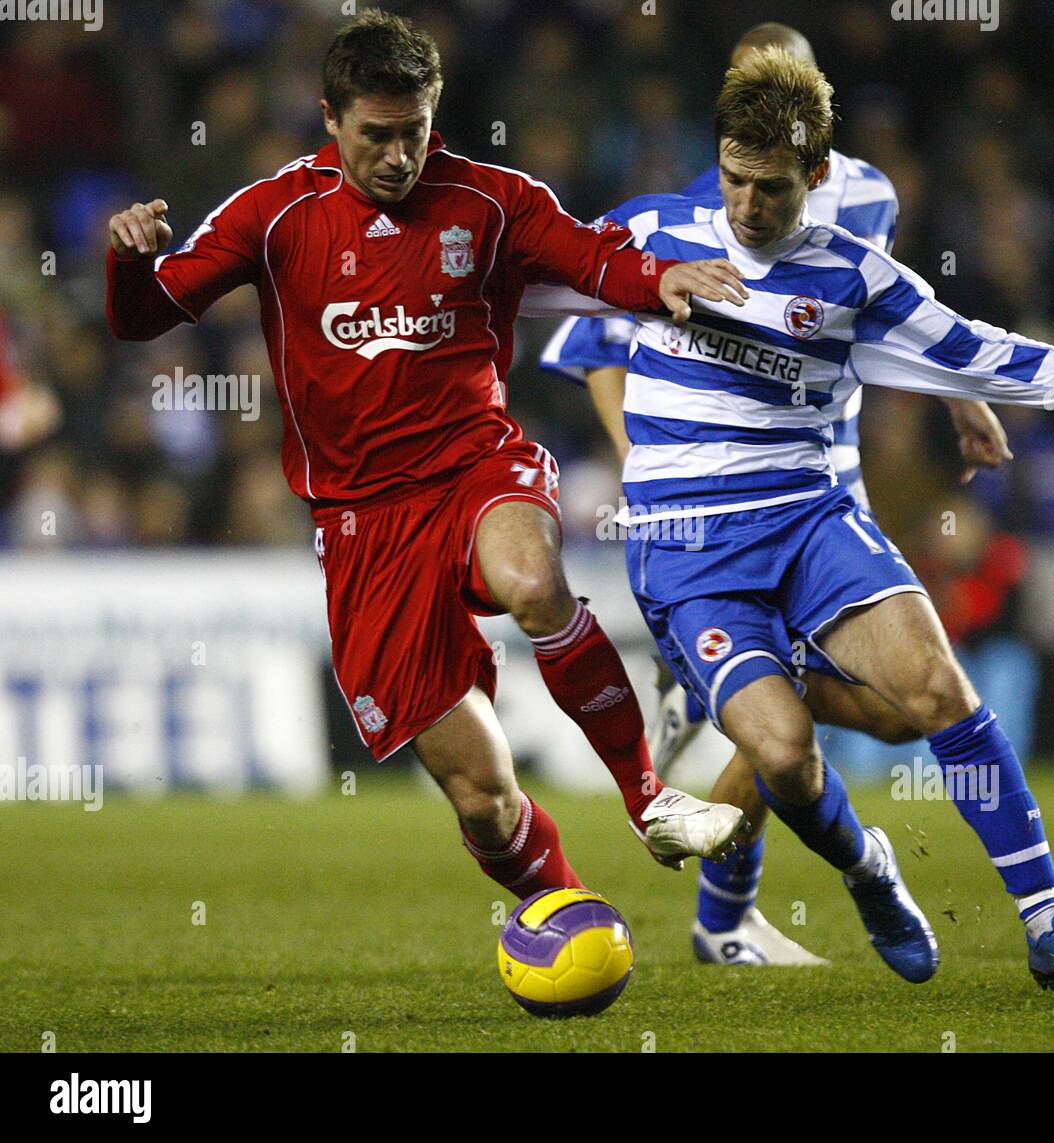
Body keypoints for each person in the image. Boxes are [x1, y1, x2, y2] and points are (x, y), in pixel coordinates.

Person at [524, 47, 1054, 993]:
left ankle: (1049, 919)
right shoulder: (651, 230)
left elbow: (981, 352)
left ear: (816, 177)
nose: (747, 208)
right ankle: (869, 866)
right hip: (692, 550)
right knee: (780, 753)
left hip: (810, 521)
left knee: (940, 694)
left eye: (773, 189)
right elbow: (520, 280)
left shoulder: (854, 272)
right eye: (735, 181)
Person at [103, 10, 754, 903]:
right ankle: (563, 911)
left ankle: (649, 800)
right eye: (376, 135)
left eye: (413, 132)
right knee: (485, 799)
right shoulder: (274, 213)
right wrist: (130, 265)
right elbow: (144, 315)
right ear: (330, 120)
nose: (398, 155)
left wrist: (658, 282)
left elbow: (590, 257)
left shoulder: (489, 199)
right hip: (360, 519)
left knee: (532, 580)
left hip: (474, 465)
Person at [539, 22, 1012, 968]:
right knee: (786, 728)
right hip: (716, 505)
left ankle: (727, 880)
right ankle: (729, 908)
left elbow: (903, 312)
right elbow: (596, 348)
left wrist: (964, 396)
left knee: (894, 710)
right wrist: (658, 463)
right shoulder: (688, 217)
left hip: (827, 488)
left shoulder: (870, 194)